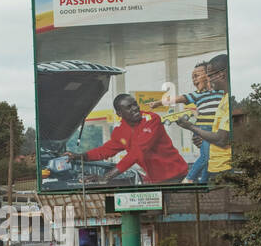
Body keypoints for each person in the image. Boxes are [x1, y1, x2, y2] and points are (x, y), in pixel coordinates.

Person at [70, 94, 188, 185]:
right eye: (129, 107)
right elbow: (106, 150)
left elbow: (137, 152)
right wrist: (81, 156)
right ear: (119, 113)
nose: (135, 108)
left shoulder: (151, 119)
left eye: (135, 104)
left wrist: (106, 177)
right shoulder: (120, 131)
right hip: (156, 180)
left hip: (177, 176)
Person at [175, 54, 235, 184]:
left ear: (222, 75)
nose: (208, 79)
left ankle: (190, 179)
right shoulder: (223, 101)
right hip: (217, 169)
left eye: (210, 75)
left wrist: (190, 127)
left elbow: (221, 139)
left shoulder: (228, 103)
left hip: (224, 171)